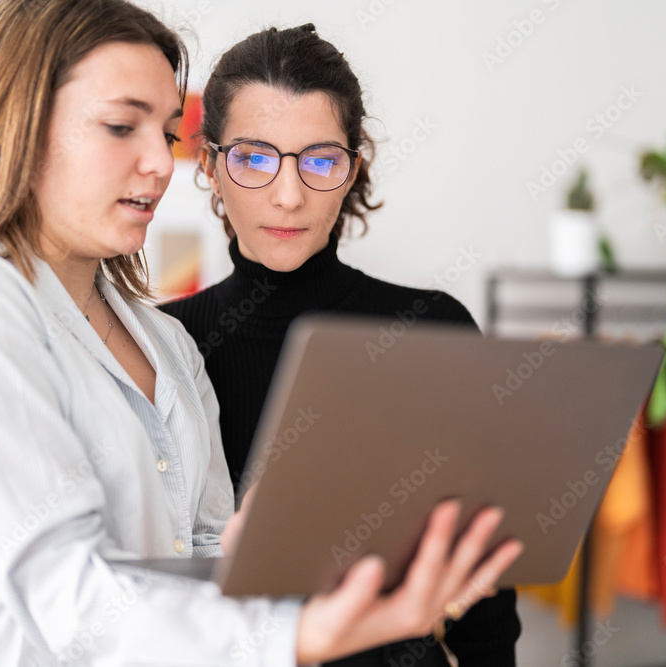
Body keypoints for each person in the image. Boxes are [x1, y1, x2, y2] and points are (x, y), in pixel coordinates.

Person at [0, 2, 523, 666]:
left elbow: (197, 552)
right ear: (22, 123)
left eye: (164, 132)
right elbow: (70, 596)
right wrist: (298, 629)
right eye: (120, 127)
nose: (163, 163)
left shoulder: (165, 343)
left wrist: (261, 558)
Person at [159, 24, 522, 667]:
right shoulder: (164, 346)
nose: (289, 193)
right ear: (212, 167)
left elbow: (486, 599)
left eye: (321, 159)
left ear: (353, 169)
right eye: (253, 157)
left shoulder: (432, 330)